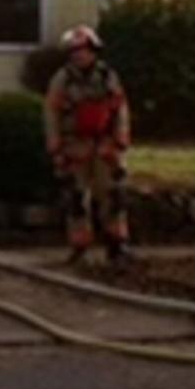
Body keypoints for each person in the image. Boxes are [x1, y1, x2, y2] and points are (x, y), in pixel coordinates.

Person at [44, 25, 132, 265]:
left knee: (113, 195)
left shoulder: (107, 77)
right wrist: (55, 145)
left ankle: (117, 243)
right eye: (74, 51)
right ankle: (79, 245)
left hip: (105, 145)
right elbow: (52, 113)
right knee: (75, 198)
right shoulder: (62, 80)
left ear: (94, 51)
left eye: (83, 50)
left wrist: (120, 138)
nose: (79, 55)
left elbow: (120, 108)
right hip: (74, 146)